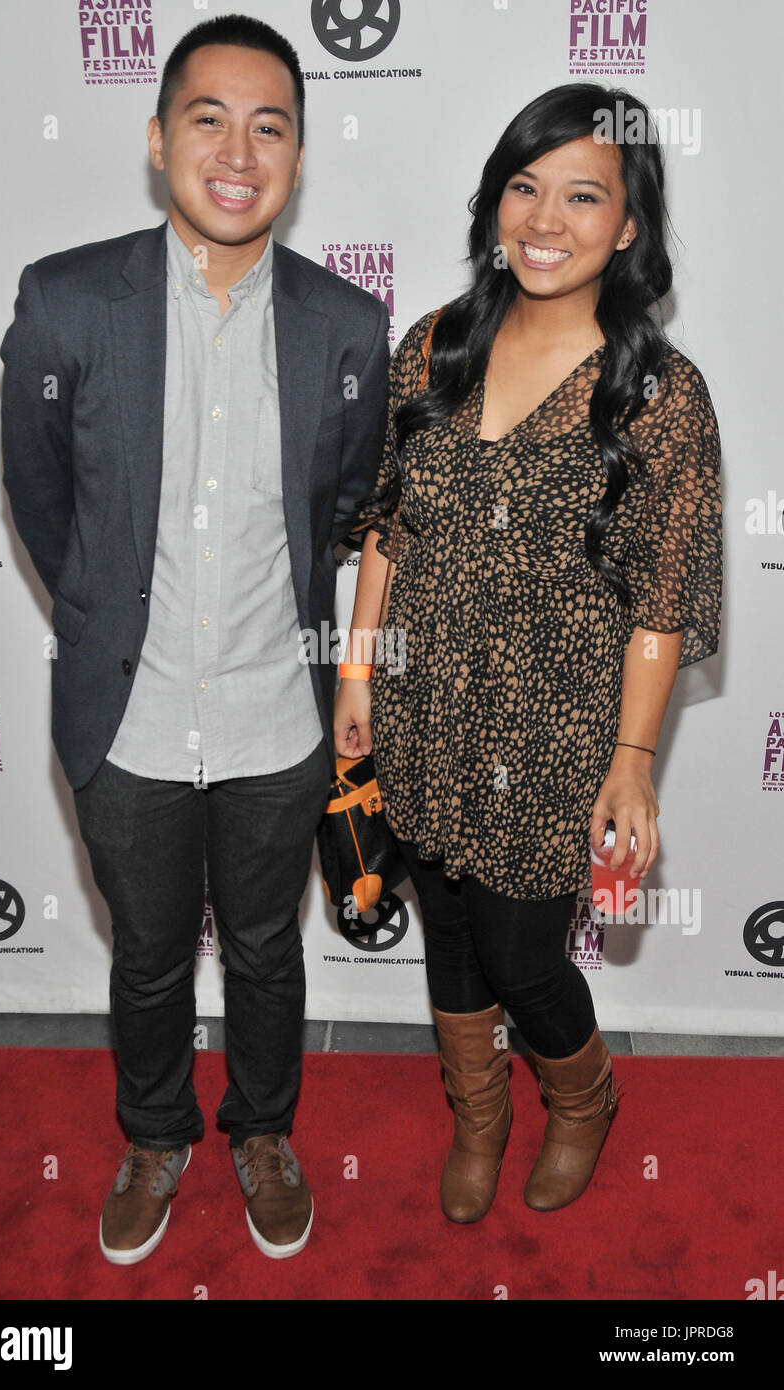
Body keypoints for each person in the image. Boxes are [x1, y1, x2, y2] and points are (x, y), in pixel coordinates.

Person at [0, 15, 389, 1264]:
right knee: (152, 955)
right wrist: (111, 615)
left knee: (270, 951)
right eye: (207, 117)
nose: (237, 149)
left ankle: (262, 1130)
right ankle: (156, 1133)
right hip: (130, 714)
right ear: (157, 136)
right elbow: (40, 494)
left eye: (269, 124)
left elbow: (340, 511)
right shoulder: (66, 302)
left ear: (298, 154)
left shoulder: (343, 326)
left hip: (278, 714)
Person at [335, 83, 722, 1224]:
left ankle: (582, 1098)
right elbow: (386, 526)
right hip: (420, 704)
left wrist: (633, 759)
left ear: (628, 224)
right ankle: (477, 1114)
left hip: (556, 730)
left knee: (520, 950)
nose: (543, 219)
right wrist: (356, 673)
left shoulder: (656, 392)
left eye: (581, 195)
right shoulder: (432, 347)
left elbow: (662, 595)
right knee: (445, 930)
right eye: (523, 186)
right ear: (493, 200)